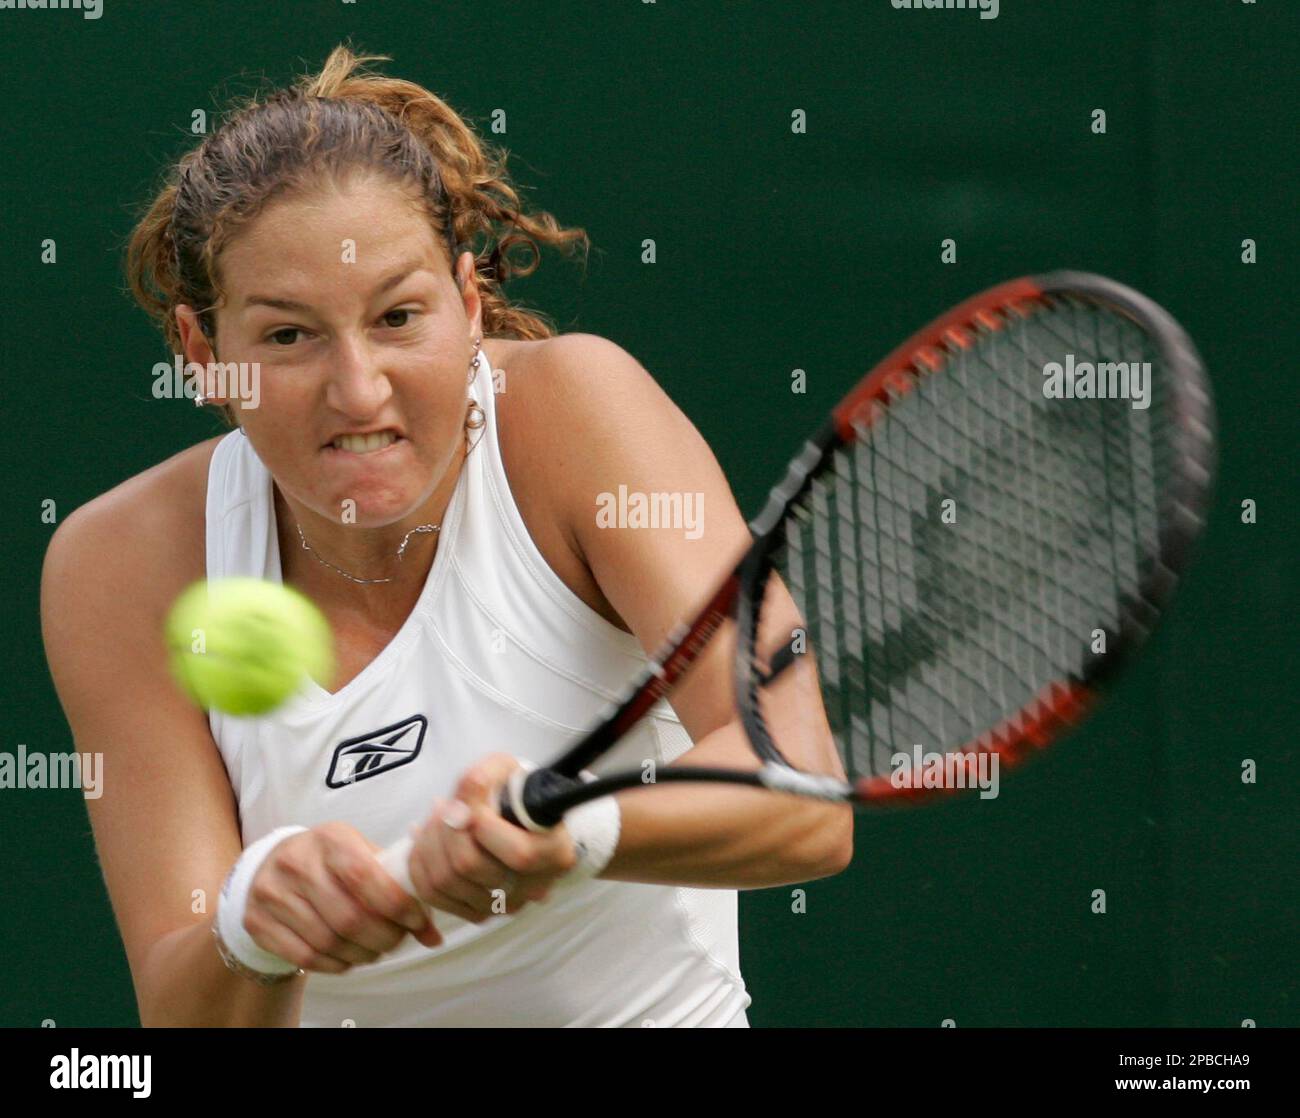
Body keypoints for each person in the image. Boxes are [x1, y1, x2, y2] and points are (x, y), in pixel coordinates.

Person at [40, 45, 852, 1028]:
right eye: (288, 336)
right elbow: (183, 1013)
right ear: (204, 355)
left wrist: (579, 825)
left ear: (468, 304)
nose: (358, 389)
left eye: (398, 316)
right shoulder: (119, 563)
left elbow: (802, 790)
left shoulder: (576, 413)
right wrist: (253, 930)